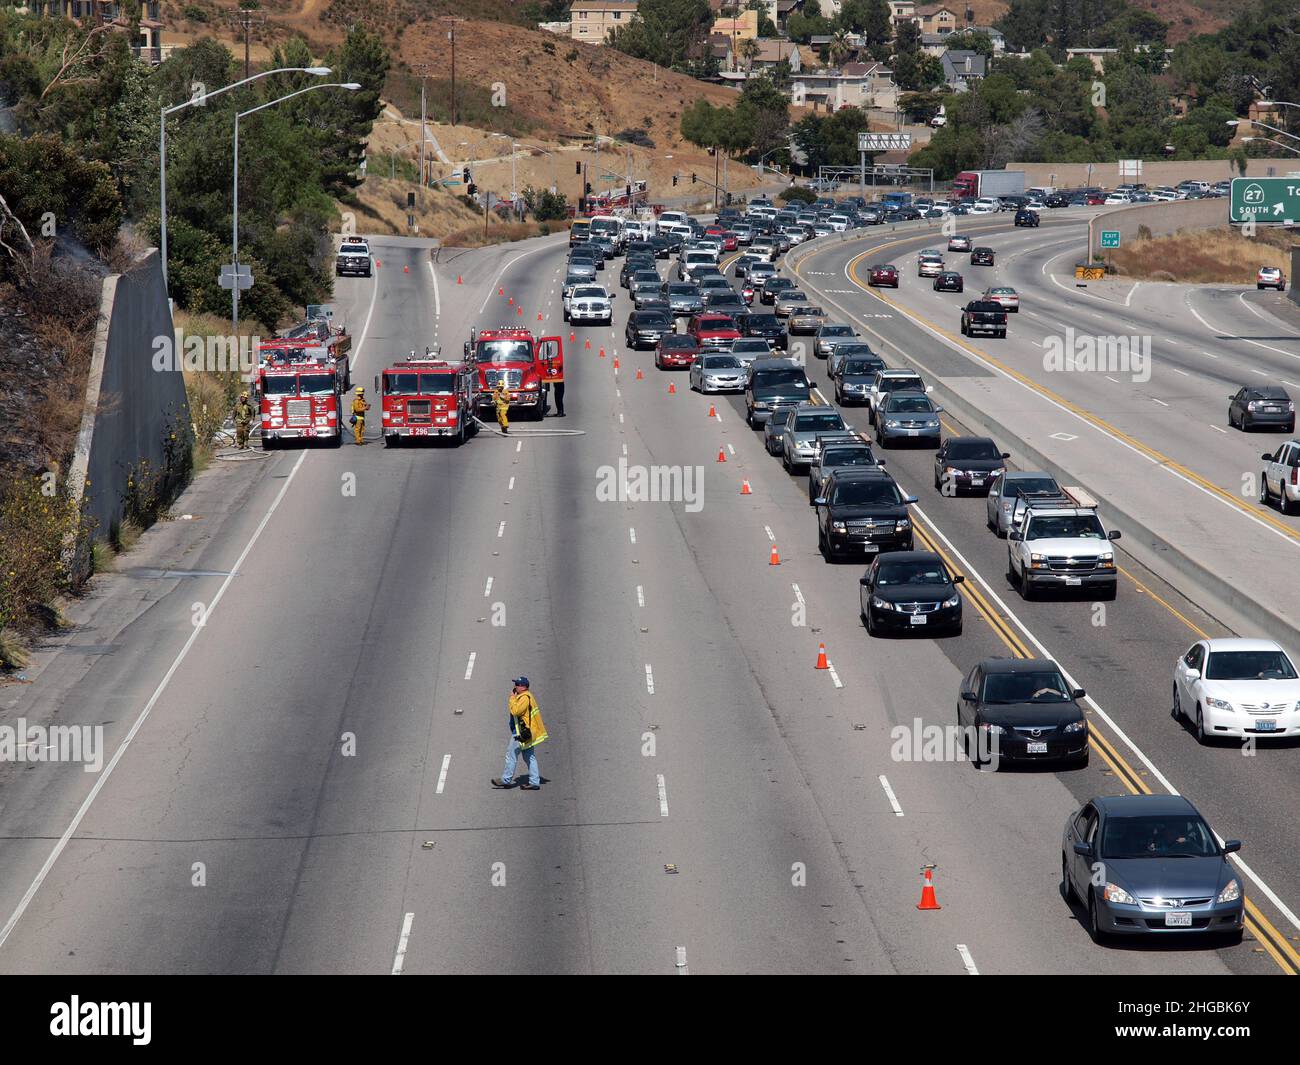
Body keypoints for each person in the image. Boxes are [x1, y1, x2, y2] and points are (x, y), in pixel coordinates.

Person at [491, 676, 547, 790]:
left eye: (517, 684)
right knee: (529, 756)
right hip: (527, 732)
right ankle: (534, 782)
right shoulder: (523, 696)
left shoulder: (525, 698)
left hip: (521, 733)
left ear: (523, 687)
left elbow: (516, 711)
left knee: (511, 754)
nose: (515, 686)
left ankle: (505, 780)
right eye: (515, 684)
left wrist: (512, 698)